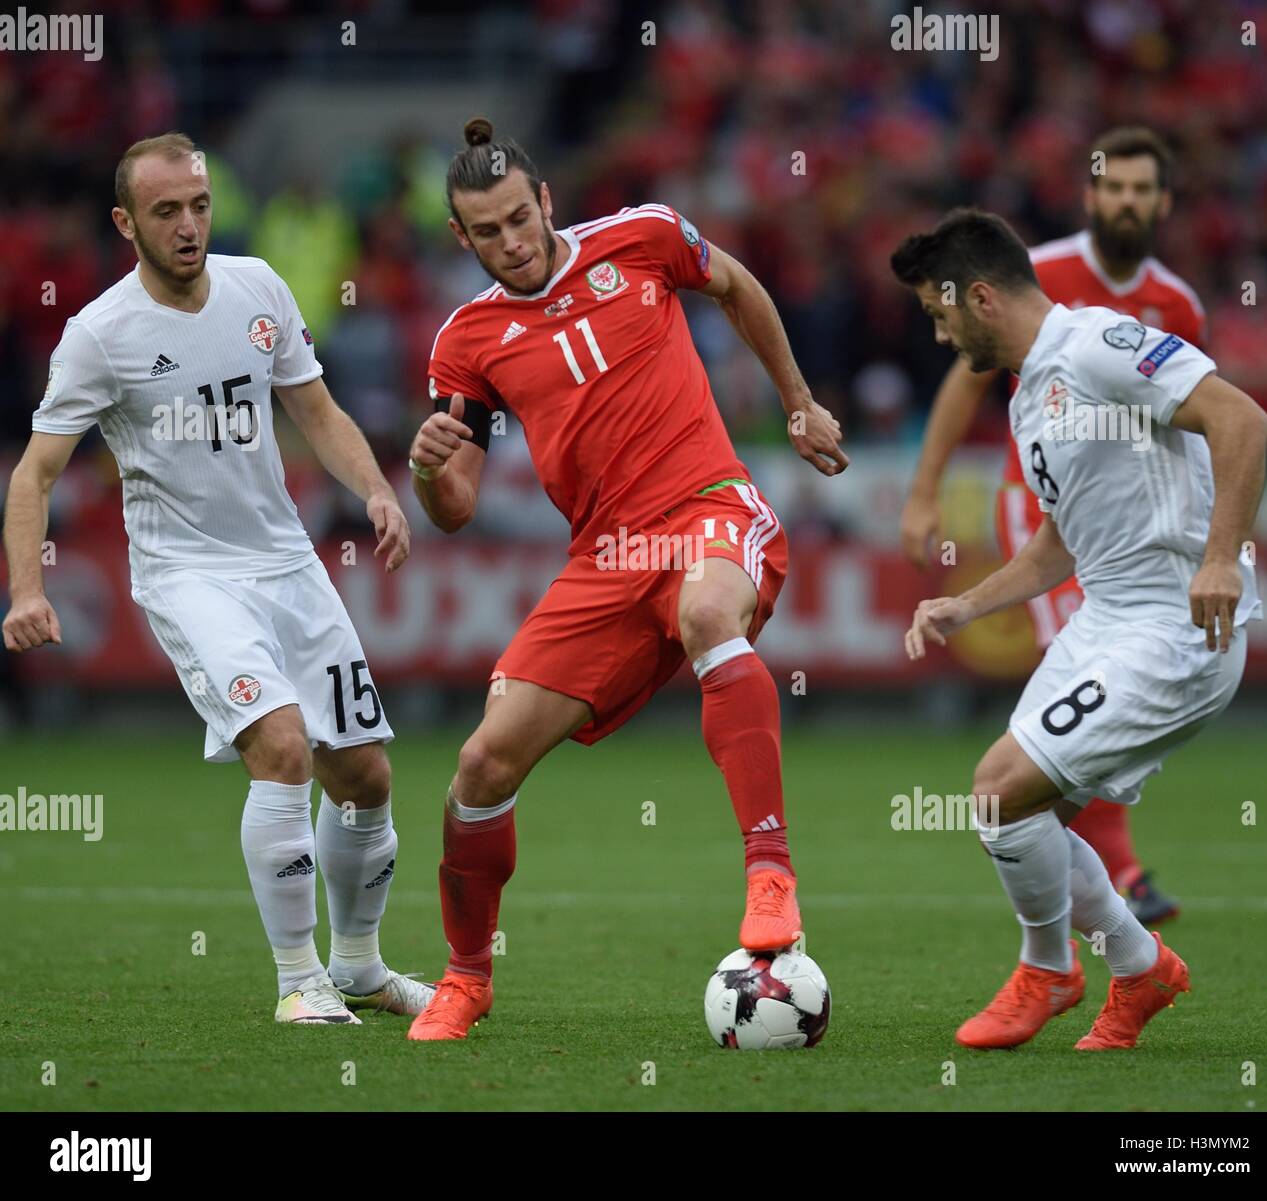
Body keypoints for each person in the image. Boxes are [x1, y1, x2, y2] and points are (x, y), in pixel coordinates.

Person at [405, 117, 848, 1041]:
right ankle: (466, 974)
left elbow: (736, 284)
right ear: (462, 237)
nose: (512, 243)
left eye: (520, 218)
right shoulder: (466, 342)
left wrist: (798, 402)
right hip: (605, 558)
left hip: (708, 506)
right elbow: (458, 506)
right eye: (487, 232)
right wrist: (426, 470)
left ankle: (769, 872)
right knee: (482, 766)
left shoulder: (640, 238)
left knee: (709, 610)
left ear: (546, 201)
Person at [2, 132, 430, 1026]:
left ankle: (358, 966)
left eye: (197, 204)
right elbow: (34, 472)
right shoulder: (100, 335)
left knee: (366, 776)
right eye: (166, 211)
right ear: (127, 223)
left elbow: (315, 409)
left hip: (287, 562)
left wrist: (377, 489)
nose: (190, 223)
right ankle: (297, 980)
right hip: (189, 574)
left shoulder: (258, 287)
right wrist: (29, 589)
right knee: (279, 748)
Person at [891, 209, 1266, 1050]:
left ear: (980, 297)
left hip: (1176, 626)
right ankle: (1139, 969)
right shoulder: (1031, 394)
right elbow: (1060, 543)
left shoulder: (1100, 344)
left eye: (939, 312)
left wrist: (1221, 559)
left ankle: (1051, 969)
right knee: (1013, 816)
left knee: (996, 785)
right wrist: (969, 603)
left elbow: (1241, 419)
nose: (941, 334)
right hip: (1105, 619)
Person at [899, 128, 1206, 926]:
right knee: (1074, 694)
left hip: (1131, 539)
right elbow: (967, 382)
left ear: (1163, 203)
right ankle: (1115, 879)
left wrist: (1211, 544)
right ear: (1092, 194)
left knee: (1081, 707)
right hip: (1040, 510)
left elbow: (1205, 418)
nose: (1128, 201)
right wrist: (925, 487)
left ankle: (1092, 899)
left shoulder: (1176, 304)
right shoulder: (1040, 274)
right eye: (1116, 187)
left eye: (1144, 190)